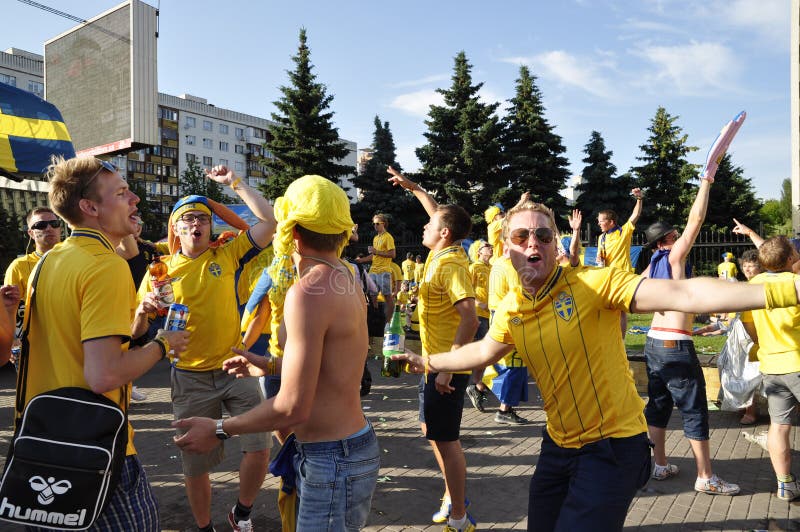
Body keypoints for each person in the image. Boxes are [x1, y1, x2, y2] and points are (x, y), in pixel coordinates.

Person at [392, 198, 800, 531]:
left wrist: (787, 289)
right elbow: (482, 353)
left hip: (613, 447)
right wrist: (428, 359)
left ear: (555, 246)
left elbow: (684, 294)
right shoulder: (512, 308)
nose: (532, 241)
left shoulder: (593, 283)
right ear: (506, 247)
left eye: (543, 234)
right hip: (557, 446)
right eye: (521, 235)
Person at [172, 175, 379, 531]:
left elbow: (290, 407)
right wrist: (267, 364)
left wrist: (220, 428)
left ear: (292, 231)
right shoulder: (345, 274)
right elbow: (332, 364)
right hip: (348, 448)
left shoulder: (308, 291)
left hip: (331, 457)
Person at [15, 156, 189, 530]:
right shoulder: (104, 265)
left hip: (44, 445)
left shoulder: (49, 261)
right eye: (122, 193)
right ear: (90, 207)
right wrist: (163, 343)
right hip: (98, 449)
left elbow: (74, 345)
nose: (135, 200)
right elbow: (104, 374)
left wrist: (138, 318)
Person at [133, 166, 276, 532]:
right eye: (188, 219)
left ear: (210, 226)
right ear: (176, 230)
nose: (196, 223)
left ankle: (241, 512)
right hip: (189, 378)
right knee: (196, 464)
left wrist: (234, 184)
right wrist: (143, 311)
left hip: (234, 368)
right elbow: (135, 332)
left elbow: (270, 222)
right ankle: (203, 528)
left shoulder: (226, 255)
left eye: (202, 218)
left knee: (260, 447)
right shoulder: (160, 271)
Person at [387, 166, 478, 532]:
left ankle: (460, 515)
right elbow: (436, 211)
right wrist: (414, 188)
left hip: (445, 368)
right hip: (431, 364)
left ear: (443, 233)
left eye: (430, 224)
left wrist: (447, 367)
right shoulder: (441, 255)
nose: (422, 227)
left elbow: (470, 319)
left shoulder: (453, 264)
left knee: (446, 438)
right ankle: (451, 495)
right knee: (432, 431)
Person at [642, 176, 739, 495]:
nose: (678, 235)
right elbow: (696, 219)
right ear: (667, 239)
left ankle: (658, 465)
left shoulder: (650, 268)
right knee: (694, 410)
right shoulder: (672, 257)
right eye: (674, 233)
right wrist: (707, 182)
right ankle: (705, 476)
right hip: (675, 346)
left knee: (657, 406)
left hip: (654, 344)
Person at [741, 236, 800, 501]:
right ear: (790, 259)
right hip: (797, 361)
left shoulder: (753, 285)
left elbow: (749, 325)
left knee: (779, 426)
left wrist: (762, 343)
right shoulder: (794, 284)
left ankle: (785, 485)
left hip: (772, 365)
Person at [3, 206, 63, 348]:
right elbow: (7, 309)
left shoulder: (77, 259)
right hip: (38, 346)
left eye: (54, 224)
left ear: (60, 228)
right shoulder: (19, 266)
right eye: (41, 225)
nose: (49, 228)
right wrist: (11, 340)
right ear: (30, 233)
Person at [116, 219, 161, 401]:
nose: (135, 227)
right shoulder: (116, 249)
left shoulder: (149, 248)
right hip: (124, 303)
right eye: (131, 223)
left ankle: (128, 384)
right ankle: (123, 386)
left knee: (137, 346)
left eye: (138, 223)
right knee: (125, 347)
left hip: (145, 301)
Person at [596, 188, 643, 336]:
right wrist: (600, 260)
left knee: (621, 311)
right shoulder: (601, 238)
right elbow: (600, 258)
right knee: (607, 309)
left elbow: (636, 215)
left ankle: (621, 341)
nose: (599, 223)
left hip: (622, 276)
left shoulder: (623, 232)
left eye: (601, 221)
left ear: (611, 222)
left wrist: (639, 199)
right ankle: (609, 337)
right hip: (607, 277)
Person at [355, 212, 396, 322]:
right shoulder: (376, 238)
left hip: (383, 271)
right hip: (373, 270)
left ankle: (389, 322)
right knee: (371, 295)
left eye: (377, 223)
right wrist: (360, 260)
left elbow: (393, 254)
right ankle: (376, 318)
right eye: (374, 224)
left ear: (384, 224)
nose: (375, 226)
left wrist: (376, 251)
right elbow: (374, 256)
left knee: (387, 296)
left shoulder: (388, 237)